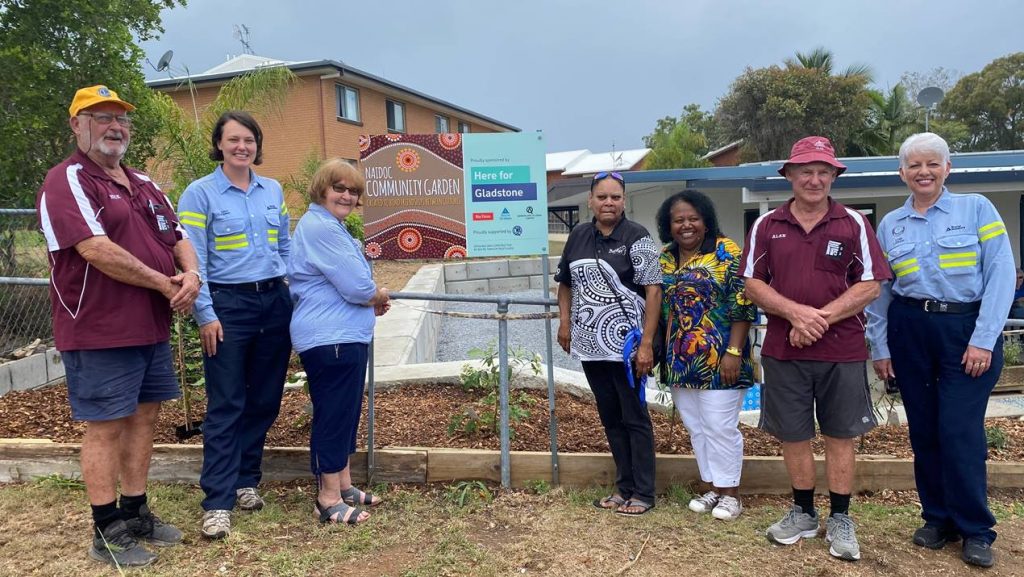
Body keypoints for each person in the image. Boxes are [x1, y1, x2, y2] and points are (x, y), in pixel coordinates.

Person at [36, 85, 201, 567]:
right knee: (105, 426)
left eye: (121, 119)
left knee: (144, 418)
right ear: (77, 125)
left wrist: (189, 274)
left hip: (149, 325)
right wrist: (164, 284)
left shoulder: (144, 181)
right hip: (99, 327)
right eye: (101, 117)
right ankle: (106, 528)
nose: (115, 127)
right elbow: (94, 248)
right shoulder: (67, 180)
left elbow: (180, 236)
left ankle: (136, 510)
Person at [865, 133, 1014, 568]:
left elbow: (1001, 274)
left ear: (948, 168)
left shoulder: (977, 209)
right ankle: (937, 518)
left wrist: (984, 339)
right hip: (910, 331)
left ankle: (975, 528)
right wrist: (881, 347)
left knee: (959, 431)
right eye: (914, 165)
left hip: (965, 330)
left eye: (932, 164)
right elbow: (881, 294)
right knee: (925, 431)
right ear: (902, 173)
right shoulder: (890, 224)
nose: (923, 172)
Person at [740, 136, 890, 561]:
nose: (815, 179)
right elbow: (752, 283)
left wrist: (815, 319)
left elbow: (871, 285)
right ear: (788, 175)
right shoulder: (767, 224)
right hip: (784, 351)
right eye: (805, 170)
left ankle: (840, 517)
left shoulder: (854, 223)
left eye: (824, 171)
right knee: (794, 433)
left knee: (841, 434)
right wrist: (795, 314)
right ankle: (803, 512)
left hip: (841, 350)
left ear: (834, 176)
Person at [177, 111, 293, 539]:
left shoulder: (272, 189)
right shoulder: (199, 193)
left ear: (257, 146)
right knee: (226, 403)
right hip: (227, 305)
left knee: (264, 399)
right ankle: (218, 500)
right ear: (219, 144)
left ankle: (247, 480)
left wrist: (292, 294)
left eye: (249, 140)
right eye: (233, 140)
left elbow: (284, 245)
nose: (242, 146)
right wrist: (205, 314)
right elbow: (194, 261)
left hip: (273, 302)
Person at [288, 159, 390, 524]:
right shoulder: (323, 229)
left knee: (345, 414)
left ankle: (344, 484)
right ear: (322, 189)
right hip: (330, 338)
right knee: (333, 416)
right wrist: (377, 294)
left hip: (343, 336)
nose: (347, 196)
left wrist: (370, 297)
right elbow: (357, 286)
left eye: (353, 191)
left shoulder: (331, 227)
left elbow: (356, 287)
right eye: (339, 188)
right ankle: (328, 498)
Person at [555, 171, 663, 516]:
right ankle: (623, 488)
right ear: (590, 200)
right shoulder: (578, 236)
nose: (608, 203)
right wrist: (564, 323)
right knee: (610, 417)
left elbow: (654, 290)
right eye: (602, 197)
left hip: (629, 346)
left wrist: (646, 344)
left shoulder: (638, 237)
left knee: (635, 417)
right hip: (590, 346)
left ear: (624, 201)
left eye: (615, 197)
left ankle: (643, 493)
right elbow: (565, 284)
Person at [655, 189, 756, 521]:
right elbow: (666, 310)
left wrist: (734, 352)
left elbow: (742, 303)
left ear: (706, 221)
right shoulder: (666, 258)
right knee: (697, 427)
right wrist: (665, 357)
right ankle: (711, 486)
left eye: (693, 218)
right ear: (668, 226)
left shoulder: (726, 252)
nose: (686, 225)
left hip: (720, 358)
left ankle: (731, 495)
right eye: (678, 220)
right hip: (682, 362)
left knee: (720, 426)